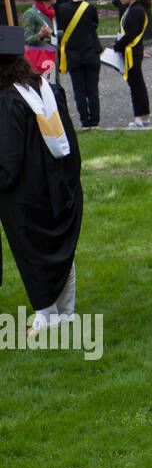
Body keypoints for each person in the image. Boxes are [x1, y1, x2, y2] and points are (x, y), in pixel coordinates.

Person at [0, 25, 82, 332]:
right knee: (60, 247)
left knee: (33, 251)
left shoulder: (7, 101)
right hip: (59, 184)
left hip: (25, 192)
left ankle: (46, 316)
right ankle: (67, 312)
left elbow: (7, 162)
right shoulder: (43, 87)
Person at [55, 0, 102, 128]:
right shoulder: (90, 8)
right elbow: (95, 24)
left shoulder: (61, 9)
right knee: (93, 89)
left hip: (73, 55)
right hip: (90, 52)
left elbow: (61, 27)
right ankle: (95, 120)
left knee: (78, 90)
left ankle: (84, 120)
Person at [113, 0, 152, 128]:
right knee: (138, 85)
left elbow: (130, 34)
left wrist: (117, 46)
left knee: (136, 86)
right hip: (132, 51)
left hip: (132, 52)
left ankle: (139, 118)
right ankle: (144, 117)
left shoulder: (136, 10)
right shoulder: (133, 8)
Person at [21, 0, 59, 78]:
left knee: (54, 87)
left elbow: (51, 34)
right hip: (40, 59)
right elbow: (26, 40)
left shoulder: (50, 12)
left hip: (51, 55)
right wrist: (40, 35)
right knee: (46, 87)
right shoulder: (31, 14)